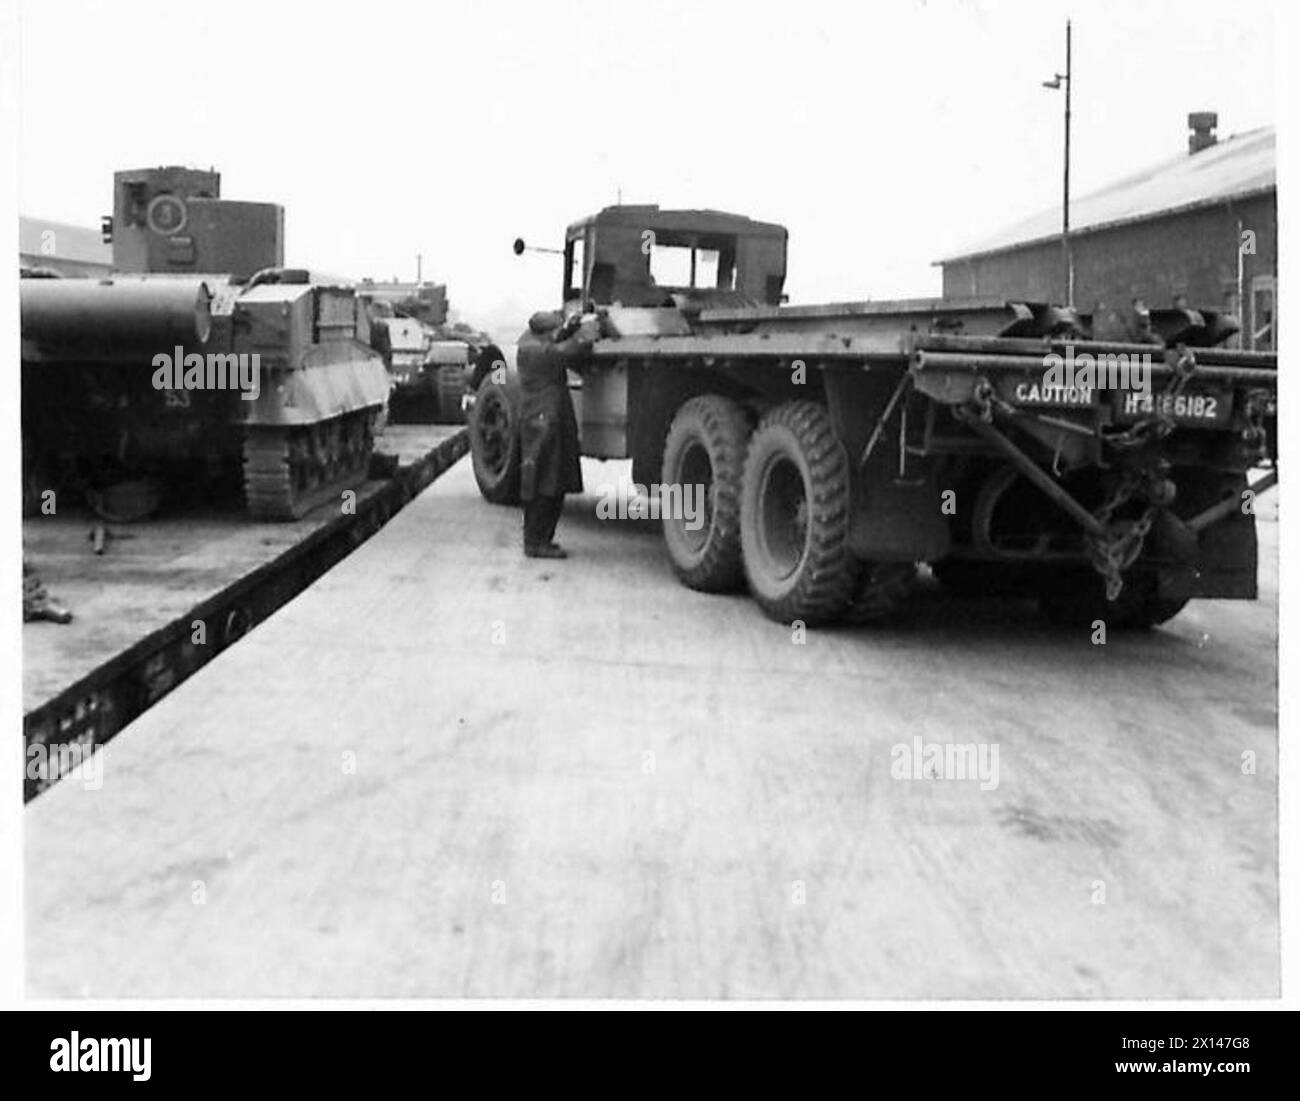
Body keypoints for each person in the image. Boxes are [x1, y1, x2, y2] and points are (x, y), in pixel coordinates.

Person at [516, 309, 589, 558]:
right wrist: (584, 334)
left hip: (548, 419)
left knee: (551, 480)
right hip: (544, 422)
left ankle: (540, 539)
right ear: (545, 333)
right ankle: (535, 542)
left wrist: (570, 328)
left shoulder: (532, 342)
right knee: (545, 481)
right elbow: (568, 350)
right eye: (554, 330)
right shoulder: (536, 352)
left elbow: (557, 343)